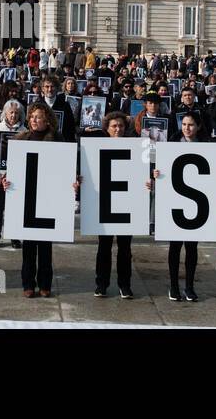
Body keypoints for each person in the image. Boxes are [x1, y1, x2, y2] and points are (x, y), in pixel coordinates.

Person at [1, 102, 75, 298]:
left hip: (48, 198)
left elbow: (66, 168)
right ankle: (28, 284)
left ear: (47, 119)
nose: (34, 120)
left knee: (45, 247)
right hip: (27, 197)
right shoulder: (20, 139)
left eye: (38, 117)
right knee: (28, 247)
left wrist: (72, 183)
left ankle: (45, 284)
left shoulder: (58, 140)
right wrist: (6, 181)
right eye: (32, 117)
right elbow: (12, 169)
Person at [82, 111, 137, 299]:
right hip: (105, 201)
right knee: (104, 246)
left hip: (126, 202)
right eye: (114, 126)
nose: (118, 129)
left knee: (125, 248)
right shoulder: (97, 147)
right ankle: (101, 284)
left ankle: (125, 285)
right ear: (107, 128)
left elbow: (141, 173)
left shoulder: (134, 147)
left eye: (121, 126)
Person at [165, 112, 208, 302]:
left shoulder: (207, 146)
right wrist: (157, 171)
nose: (187, 128)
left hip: (196, 203)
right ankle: (174, 286)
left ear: (198, 126)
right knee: (175, 246)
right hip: (175, 200)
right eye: (183, 124)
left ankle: (189, 286)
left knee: (191, 247)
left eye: (190, 124)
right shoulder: (172, 142)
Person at [0, 99, 25, 249]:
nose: (13, 115)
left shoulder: (25, 131)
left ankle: (14, 237)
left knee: (15, 207)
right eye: (11, 112)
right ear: (5, 113)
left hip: (17, 174)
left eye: (17, 113)